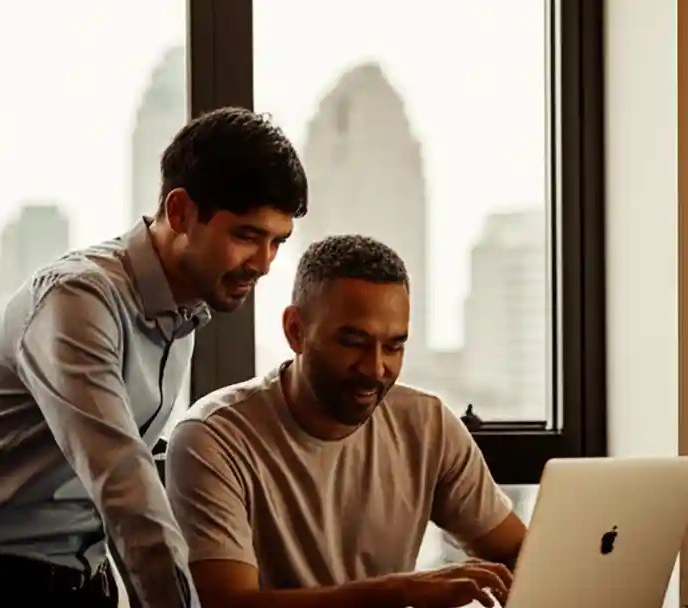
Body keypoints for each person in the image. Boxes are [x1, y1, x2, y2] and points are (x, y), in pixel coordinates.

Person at [0, 107, 308, 608]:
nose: (262, 264)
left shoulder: (183, 314)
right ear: (179, 213)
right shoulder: (79, 301)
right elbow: (128, 495)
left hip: (78, 577)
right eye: (245, 236)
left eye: (276, 242)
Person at [165, 235, 526, 608]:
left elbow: (517, 551)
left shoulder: (427, 423)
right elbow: (228, 604)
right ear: (295, 331)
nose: (375, 368)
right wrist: (402, 592)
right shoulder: (213, 438)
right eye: (353, 342)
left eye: (393, 346)